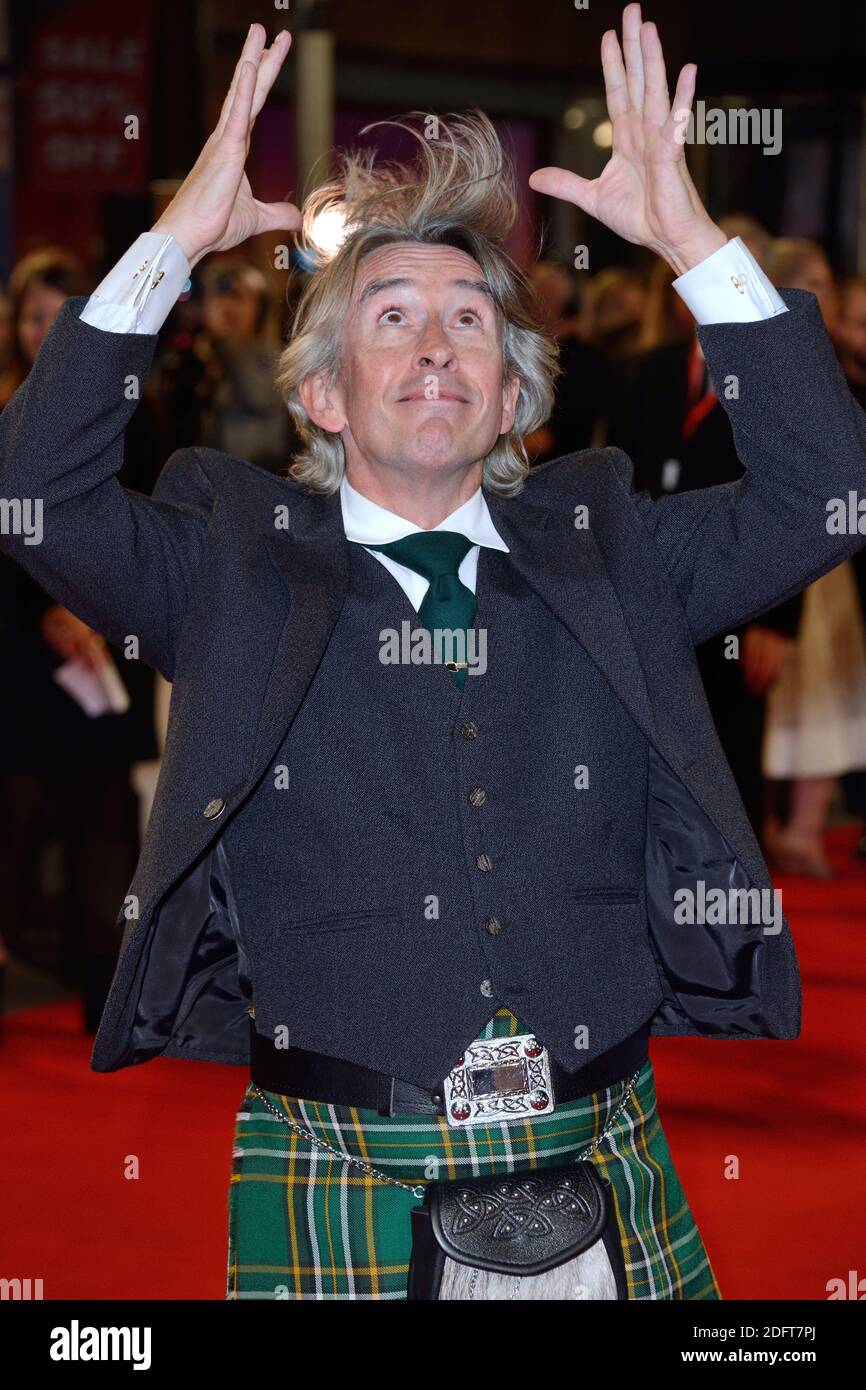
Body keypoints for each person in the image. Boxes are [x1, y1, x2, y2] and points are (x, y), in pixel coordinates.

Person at [3, 6, 866, 1301]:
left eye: (469, 320)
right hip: (341, 1152)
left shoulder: (610, 547)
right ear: (321, 394)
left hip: (600, 1143)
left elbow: (824, 495)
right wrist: (168, 245)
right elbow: (39, 497)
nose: (432, 344)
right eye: (389, 314)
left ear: (512, 397)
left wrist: (695, 243)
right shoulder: (228, 558)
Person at [0, 248, 158, 1032]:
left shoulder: (130, 404)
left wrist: (95, 609)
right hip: (20, 665)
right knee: (15, 825)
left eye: (62, 315)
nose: (44, 332)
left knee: (104, 830)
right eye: (33, 317)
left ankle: (110, 996)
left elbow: (147, 516)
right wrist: (42, 616)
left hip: (104, 649)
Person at [759, 243, 866, 876]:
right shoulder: (794, 364)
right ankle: (776, 823)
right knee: (791, 689)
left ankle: (799, 825)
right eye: (822, 282)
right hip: (795, 549)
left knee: (824, 689)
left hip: (830, 556)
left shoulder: (833, 373)